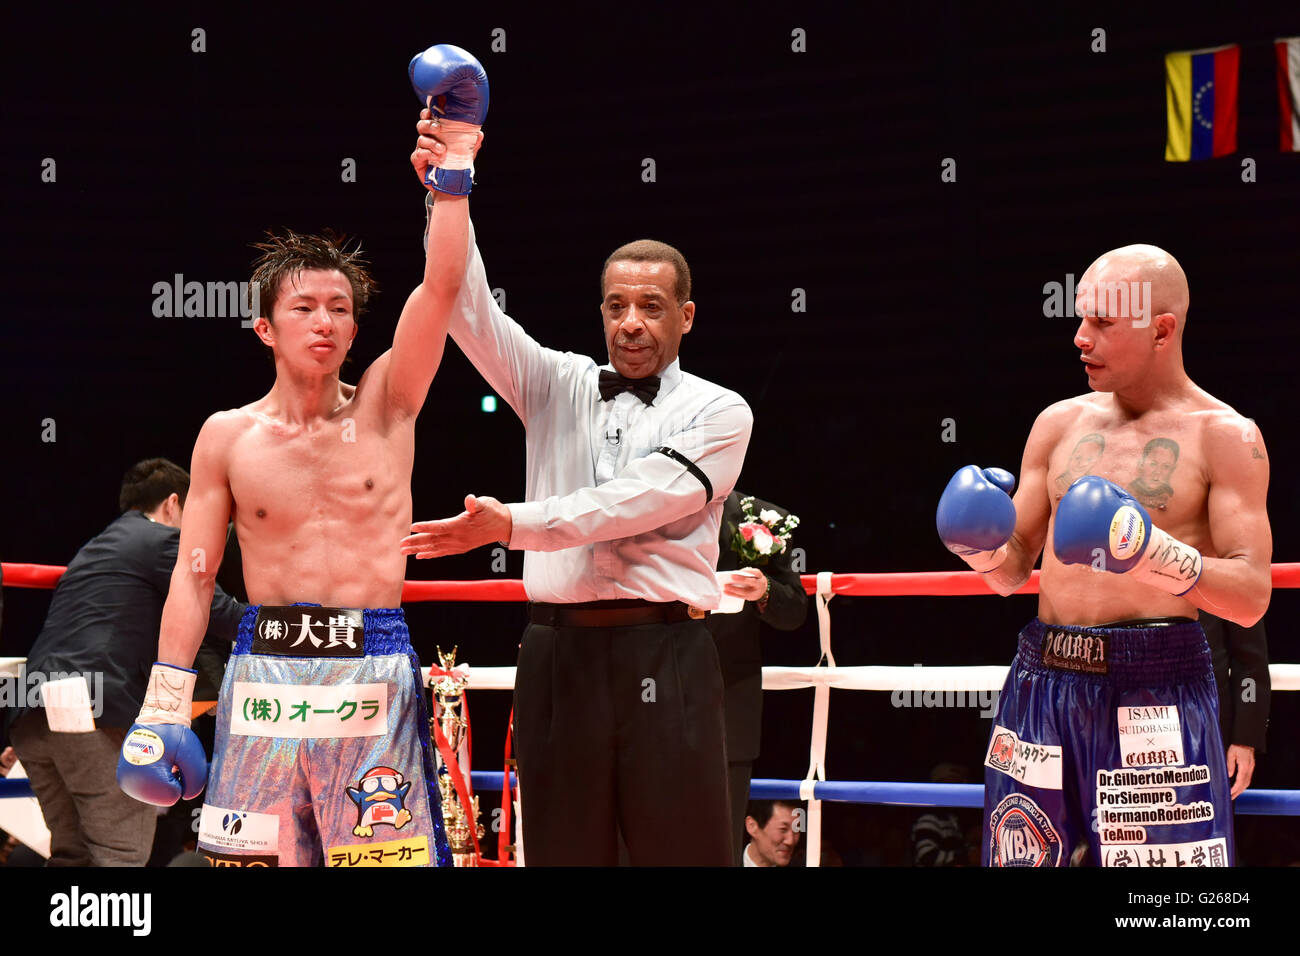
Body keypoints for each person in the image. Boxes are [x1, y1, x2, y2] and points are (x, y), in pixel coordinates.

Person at [116, 48, 487, 868]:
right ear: (265, 328)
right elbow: (194, 574)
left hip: (371, 660)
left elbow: (442, 289)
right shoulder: (226, 436)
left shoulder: (390, 404)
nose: (325, 321)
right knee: (252, 866)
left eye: (340, 309)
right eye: (304, 307)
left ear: (357, 329)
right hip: (265, 668)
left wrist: (455, 171)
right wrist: (162, 705)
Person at [400, 118, 753, 866]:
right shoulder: (555, 381)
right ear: (600, 311)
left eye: (651, 307)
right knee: (560, 853)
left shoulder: (721, 411)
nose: (631, 324)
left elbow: (629, 503)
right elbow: (465, 306)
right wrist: (449, 186)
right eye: (617, 306)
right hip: (556, 656)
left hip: (669, 653)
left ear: (686, 317)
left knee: (683, 854)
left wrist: (509, 525)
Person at [937, 244, 1271, 868]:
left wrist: (1147, 552)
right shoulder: (1058, 424)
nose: (1080, 338)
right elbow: (1012, 570)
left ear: (1163, 330)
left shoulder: (1225, 436)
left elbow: (1251, 597)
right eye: (1080, 318)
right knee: (1020, 856)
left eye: (1102, 323)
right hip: (1041, 678)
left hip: (1156, 687)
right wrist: (980, 549)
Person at [6, 459, 243, 866]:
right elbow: (218, 612)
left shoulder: (91, 550)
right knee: (120, 857)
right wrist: (289, 624)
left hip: (29, 715)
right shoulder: (164, 542)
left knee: (71, 854)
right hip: (90, 713)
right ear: (173, 505)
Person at [708, 491, 808, 864]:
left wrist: (764, 590)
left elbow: (794, 609)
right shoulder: (656, 508)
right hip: (654, 694)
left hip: (729, 699)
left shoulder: (766, 517)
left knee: (721, 839)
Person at [1199, 612, 1270, 798]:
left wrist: (1245, 737)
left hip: (1212, 733)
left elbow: (1251, 667)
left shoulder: (1230, 583)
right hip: (1130, 723)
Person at [743, 799, 801, 867]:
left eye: (796, 830)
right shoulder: (729, 859)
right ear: (752, 826)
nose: (790, 841)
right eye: (783, 829)